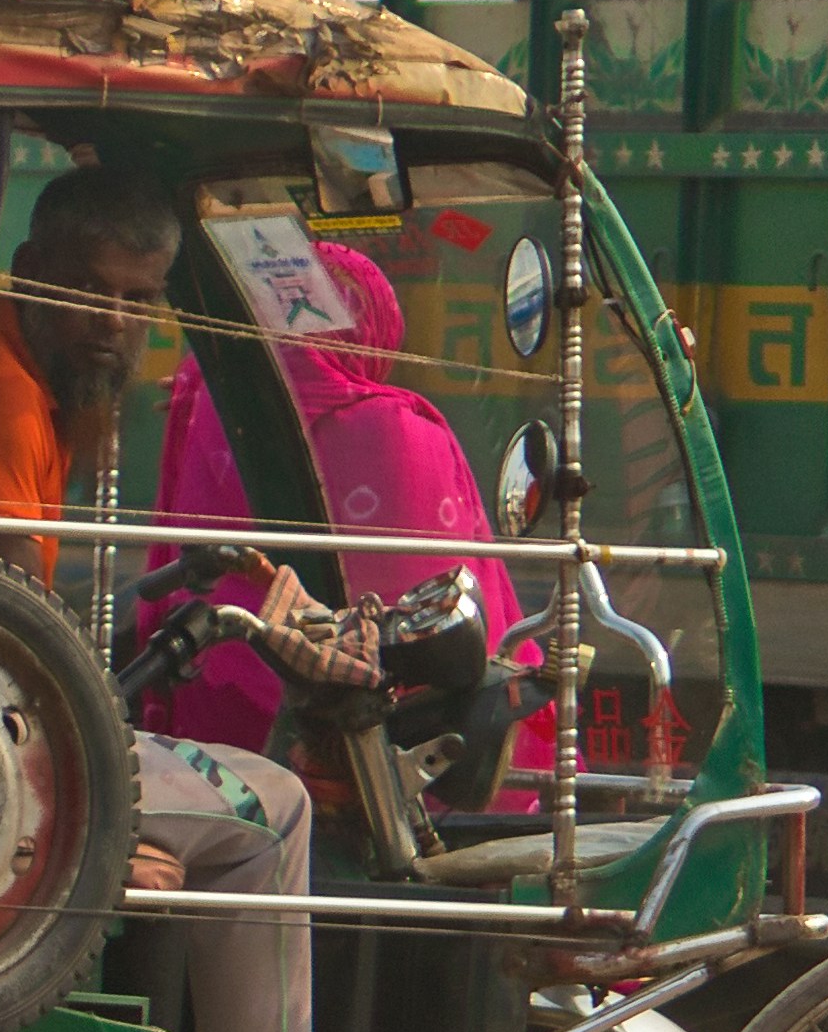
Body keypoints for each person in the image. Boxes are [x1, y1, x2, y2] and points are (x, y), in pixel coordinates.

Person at [0, 159, 370, 1032]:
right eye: (92, 292)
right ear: (29, 274)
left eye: (139, 301)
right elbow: (7, 660)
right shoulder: (5, 408)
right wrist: (96, 821)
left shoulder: (20, 380)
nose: (114, 323)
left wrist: (240, 578)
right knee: (275, 809)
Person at [147, 235, 540, 796]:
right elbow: (450, 633)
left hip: (215, 746)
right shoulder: (395, 433)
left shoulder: (215, 406)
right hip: (369, 766)